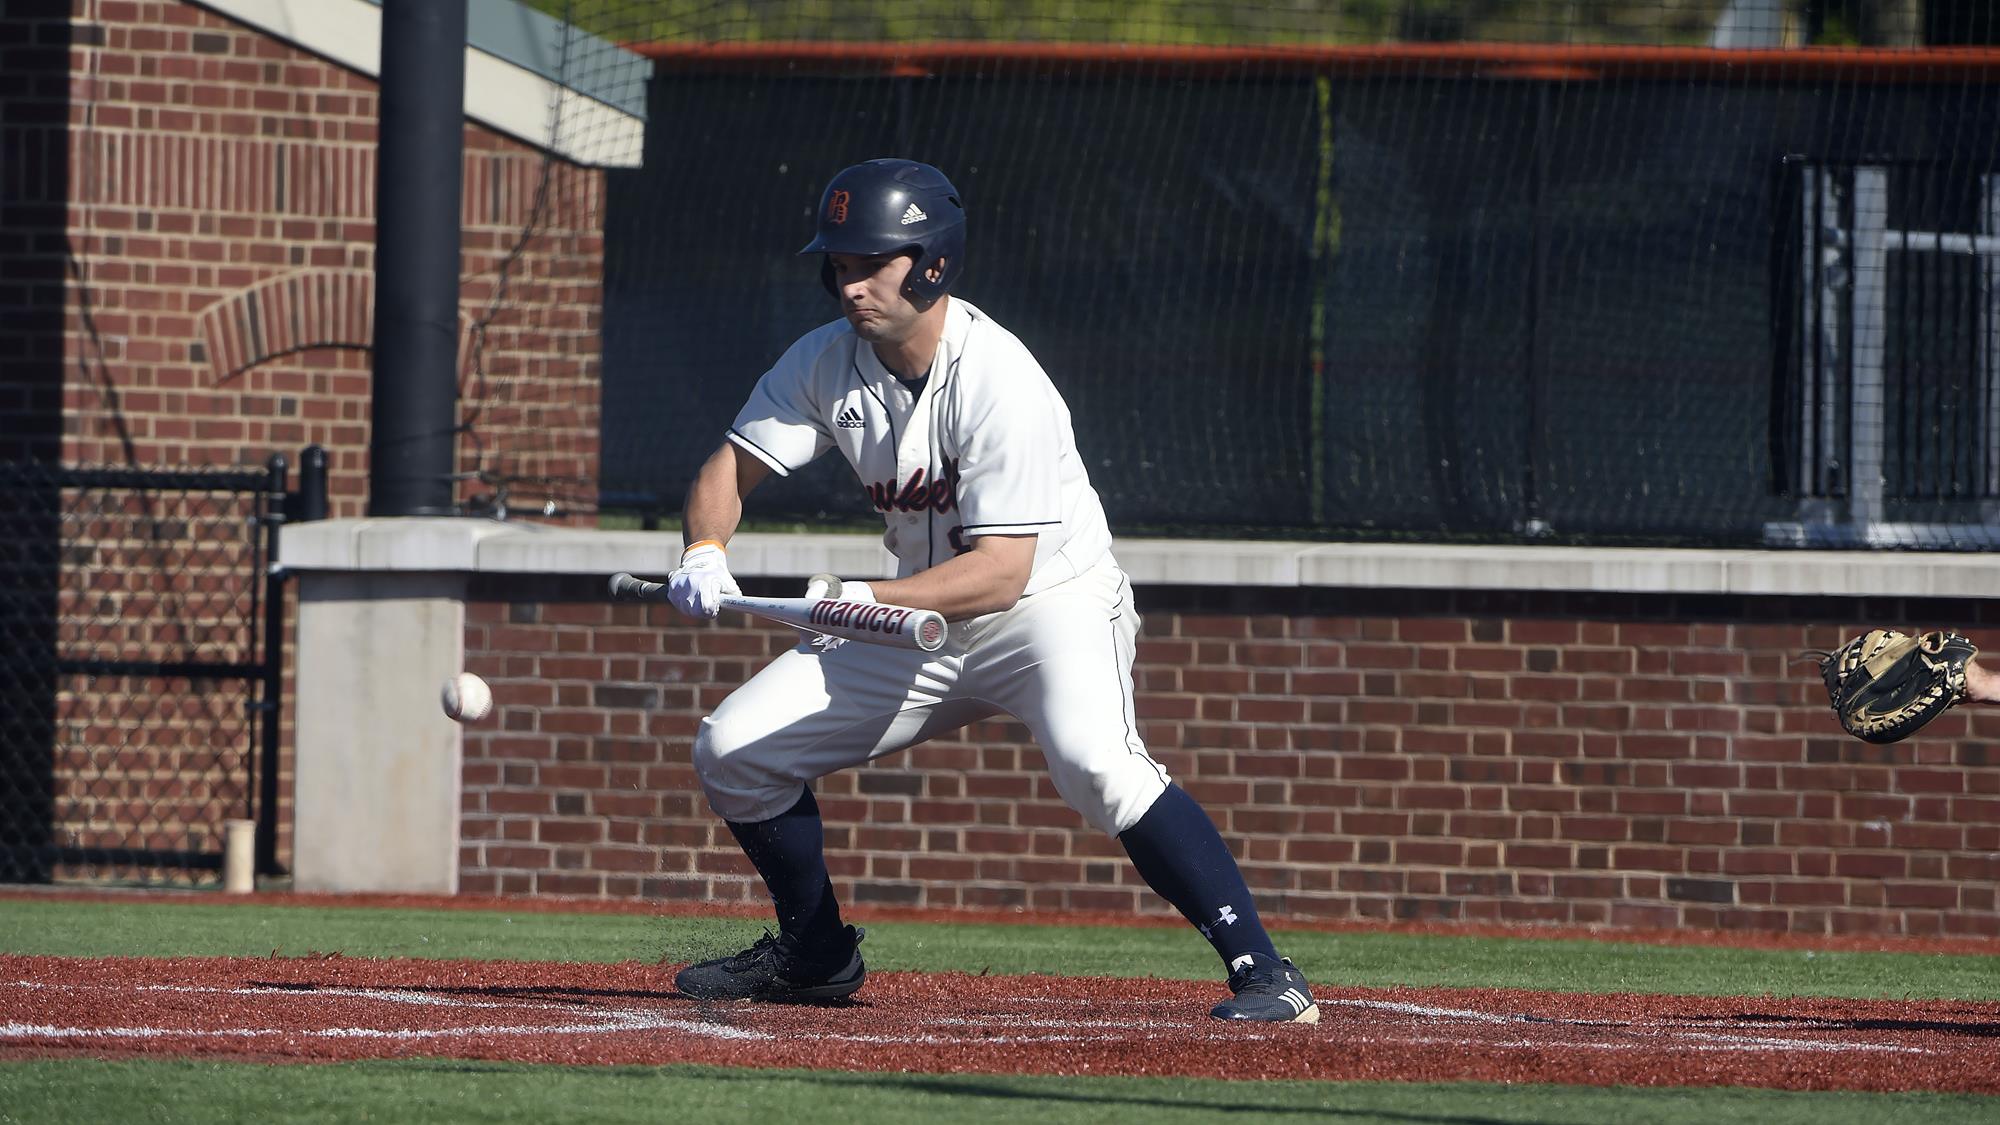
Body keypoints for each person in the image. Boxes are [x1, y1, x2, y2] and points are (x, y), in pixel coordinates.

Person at [663, 158, 1318, 1023]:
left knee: (1098, 766)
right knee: (734, 748)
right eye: (840, 263)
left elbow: (1003, 570)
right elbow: (729, 466)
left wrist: (862, 596)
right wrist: (706, 547)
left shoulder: (1000, 375)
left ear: (931, 261)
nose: (848, 282)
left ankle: (1265, 970)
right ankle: (817, 953)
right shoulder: (825, 361)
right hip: (915, 617)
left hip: (1048, 607)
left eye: (871, 261)